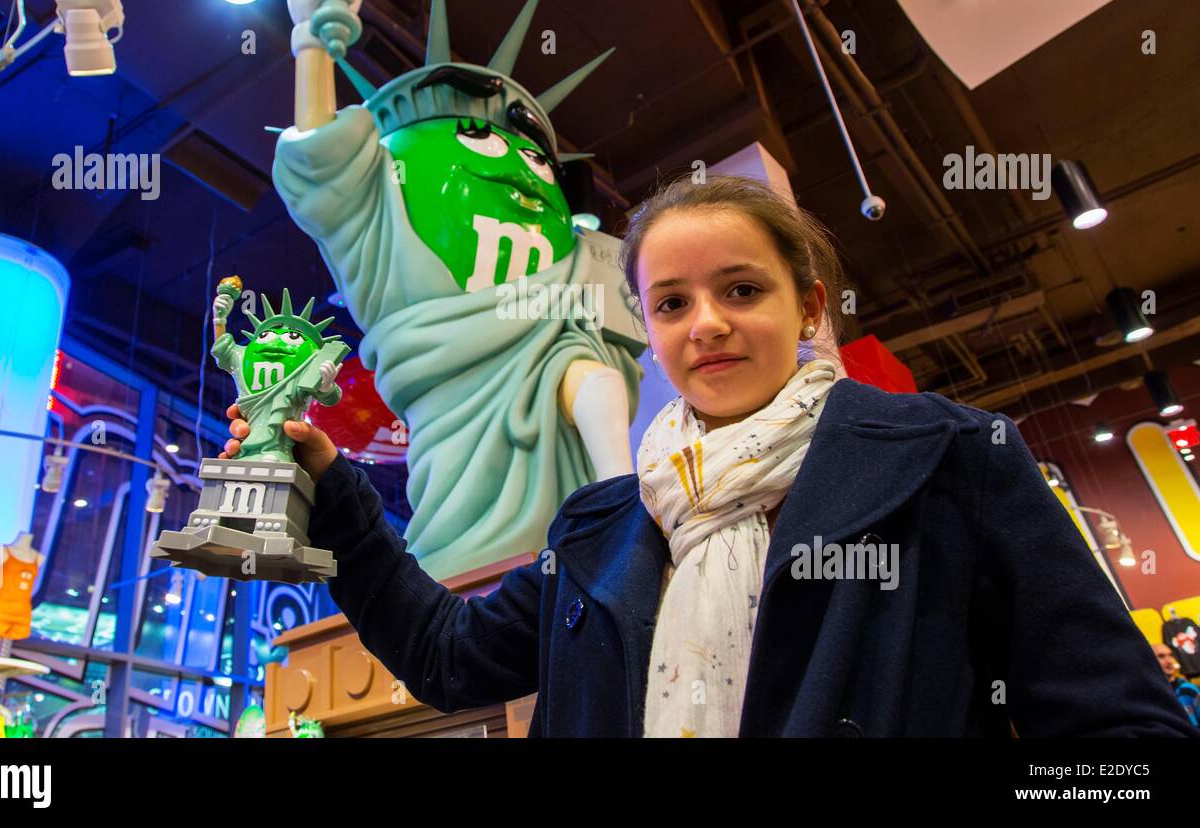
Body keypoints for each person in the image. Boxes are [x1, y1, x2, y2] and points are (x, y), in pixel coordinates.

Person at [221, 174, 1199, 738]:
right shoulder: (603, 524)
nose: (708, 326)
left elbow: (1121, 735)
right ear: (646, 329)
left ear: (808, 304)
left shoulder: (947, 457)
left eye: (741, 288)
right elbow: (447, 654)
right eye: (673, 303)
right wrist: (330, 487)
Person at [1154, 643, 1199, 726]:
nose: (1169, 661)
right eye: (1161, 656)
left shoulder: (1189, 689)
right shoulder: (1149, 692)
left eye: (1171, 655)